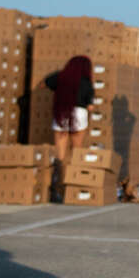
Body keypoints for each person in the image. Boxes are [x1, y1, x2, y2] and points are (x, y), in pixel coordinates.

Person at [43, 55, 94, 201]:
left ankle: (55, 189)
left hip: (61, 113)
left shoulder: (60, 77)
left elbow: (45, 83)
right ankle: (75, 188)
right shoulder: (86, 82)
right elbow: (90, 107)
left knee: (59, 155)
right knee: (77, 152)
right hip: (79, 114)